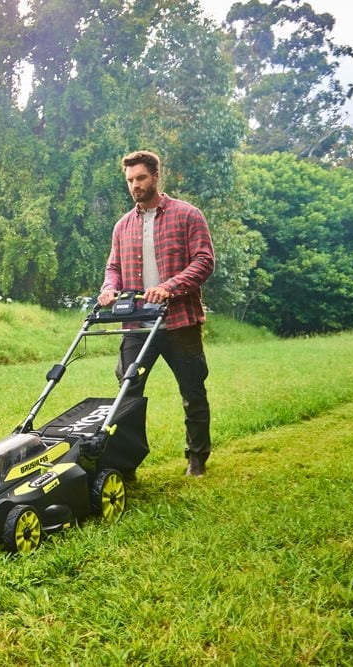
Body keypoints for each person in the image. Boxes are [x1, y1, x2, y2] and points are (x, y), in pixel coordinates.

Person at [97, 150, 215, 477]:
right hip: (136, 323)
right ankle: (124, 466)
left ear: (155, 176)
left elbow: (204, 261)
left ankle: (196, 459)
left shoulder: (188, 215)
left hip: (179, 322)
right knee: (127, 395)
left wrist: (170, 286)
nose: (135, 185)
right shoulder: (122, 225)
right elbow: (114, 267)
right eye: (130, 180)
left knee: (192, 391)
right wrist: (109, 288)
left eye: (141, 178)